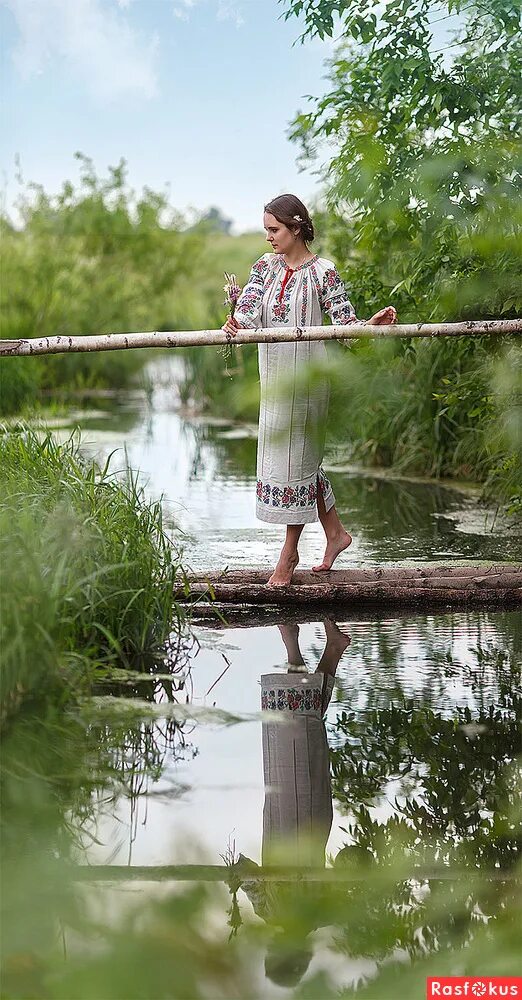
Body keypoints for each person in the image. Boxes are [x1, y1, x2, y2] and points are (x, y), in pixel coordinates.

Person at [222, 194, 396, 587]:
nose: (268, 237)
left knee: (298, 461)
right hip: (275, 380)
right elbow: (247, 310)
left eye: (274, 229)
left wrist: (370, 326)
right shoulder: (264, 267)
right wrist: (235, 323)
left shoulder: (324, 273)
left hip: (308, 383)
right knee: (298, 460)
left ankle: (289, 555)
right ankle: (336, 534)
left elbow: (345, 328)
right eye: (266, 229)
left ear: (296, 228)